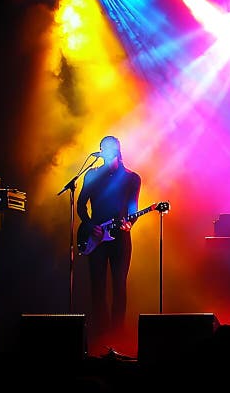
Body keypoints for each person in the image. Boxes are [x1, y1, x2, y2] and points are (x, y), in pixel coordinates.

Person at [77, 135, 141, 349]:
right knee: (97, 287)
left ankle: (117, 336)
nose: (103, 150)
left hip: (120, 238)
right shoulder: (92, 175)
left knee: (119, 286)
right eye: (102, 147)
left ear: (117, 150)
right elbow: (80, 205)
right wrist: (89, 226)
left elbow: (133, 208)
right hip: (96, 236)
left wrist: (130, 223)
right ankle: (99, 337)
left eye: (107, 147)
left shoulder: (132, 178)